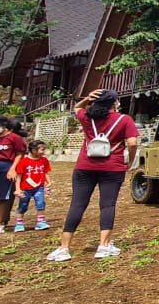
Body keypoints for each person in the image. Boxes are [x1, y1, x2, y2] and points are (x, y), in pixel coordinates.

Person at [45, 89, 139, 262]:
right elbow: (132, 143)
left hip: (85, 166)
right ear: (115, 103)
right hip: (112, 167)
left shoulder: (87, 117)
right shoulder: (124, 119)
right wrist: (130, 162)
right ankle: (103, 245)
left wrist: (87, 98)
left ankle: (64, 248)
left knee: (77, 205)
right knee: (107, 205)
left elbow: (76, 108)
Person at [12, 140, 53, 232]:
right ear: (34, 150)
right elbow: (19, 176)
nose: (44, 152)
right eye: (42, 150)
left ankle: (41, 221)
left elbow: (45, 172)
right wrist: (18, 189)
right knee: (23, 205)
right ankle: (19, 223)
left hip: (39, 187)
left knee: (41, 203)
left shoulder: (44, 160)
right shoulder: (23, 162)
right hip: (25, 188)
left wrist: (48, 182)